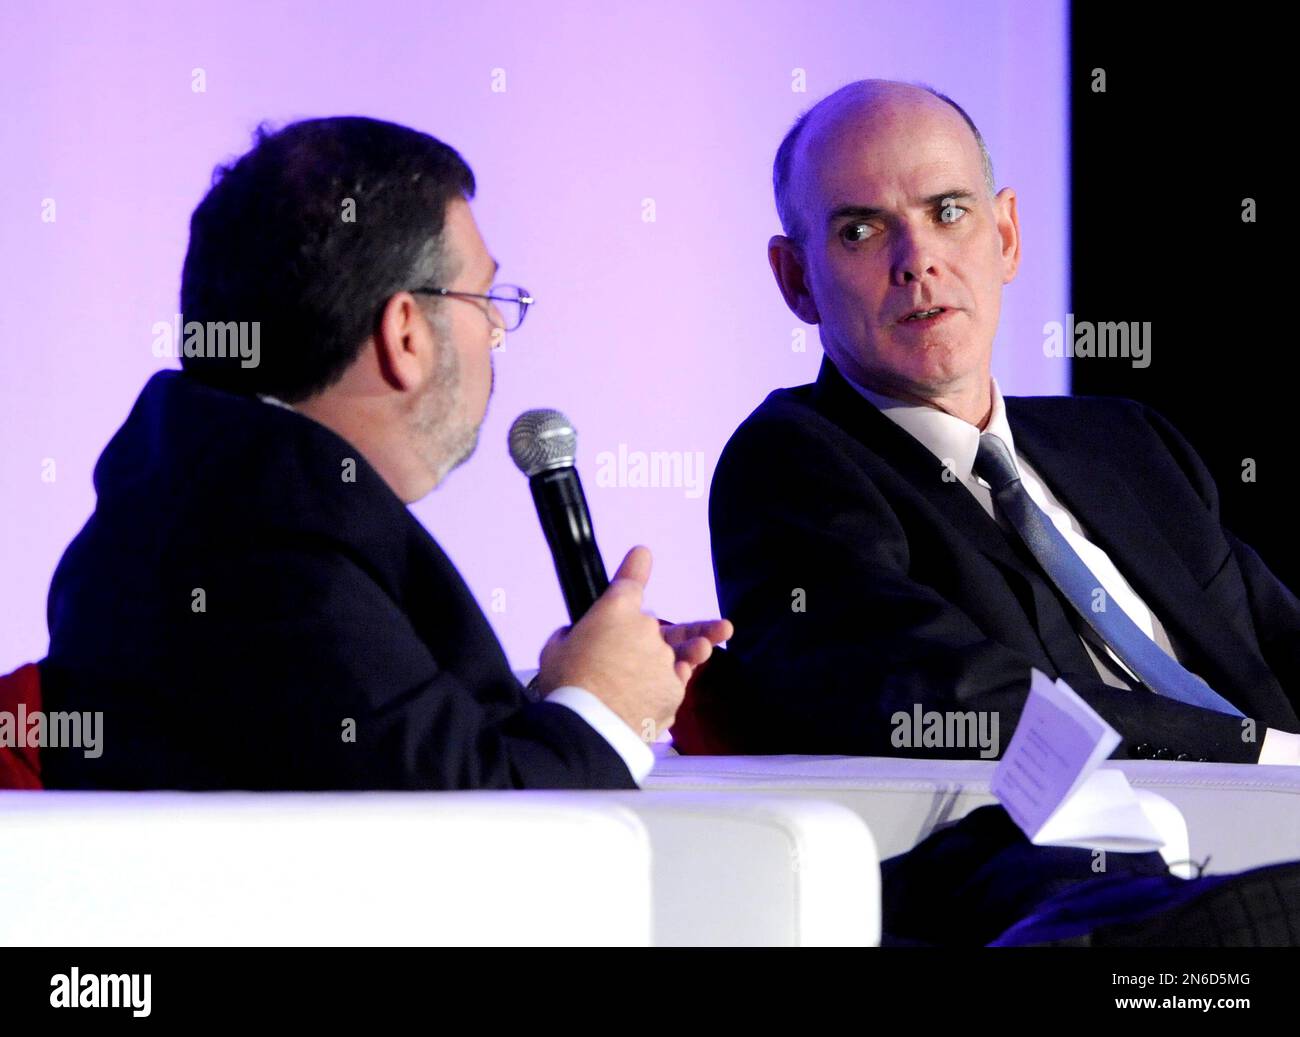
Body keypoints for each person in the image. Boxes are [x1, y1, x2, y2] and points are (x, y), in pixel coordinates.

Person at [42, 116, 730, 791]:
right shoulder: (267, 541)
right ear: (406, 332)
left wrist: (565, 692)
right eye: (484, 298)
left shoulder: (230, 487)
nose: (496, 330)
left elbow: (394, 756)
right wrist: (601, 710)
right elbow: (464, 846)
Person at [702, 80, 1300, 765]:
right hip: (1100, 856)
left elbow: (1278, 639)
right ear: (797, 280)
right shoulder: (790, 468)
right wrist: (1264, 757)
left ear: (1007, 236)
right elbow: (946, 694)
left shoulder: (1127, 442)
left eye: (948, 211)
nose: (917, 261)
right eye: (860, 231)